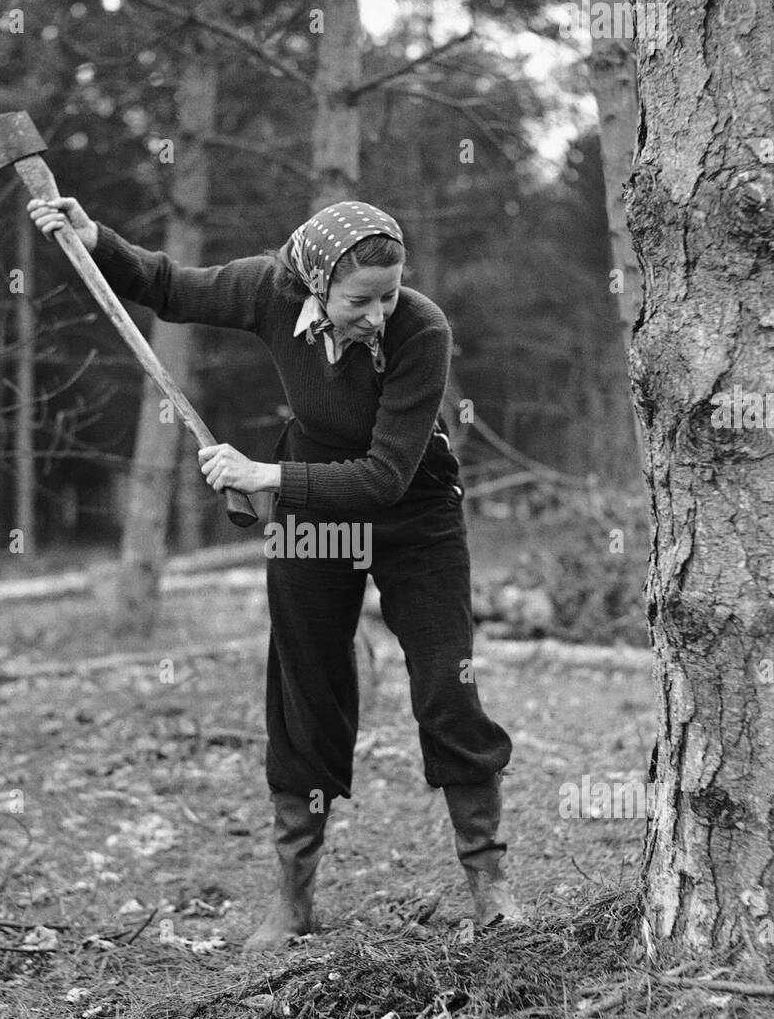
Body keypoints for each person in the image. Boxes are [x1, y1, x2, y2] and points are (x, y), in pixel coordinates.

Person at [28, 195, 519, 949]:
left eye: (389, 294)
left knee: (444, 685)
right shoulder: (268, 288)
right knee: (304, 690)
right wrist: (98, 238)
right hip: (313, 506)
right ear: (314, 283)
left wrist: (263, 476)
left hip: (412, 512)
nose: (379, 313)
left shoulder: (421, 329)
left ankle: (488, 885)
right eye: (362, 299)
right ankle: (294, 898)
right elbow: (170, 286)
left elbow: (384, 478)